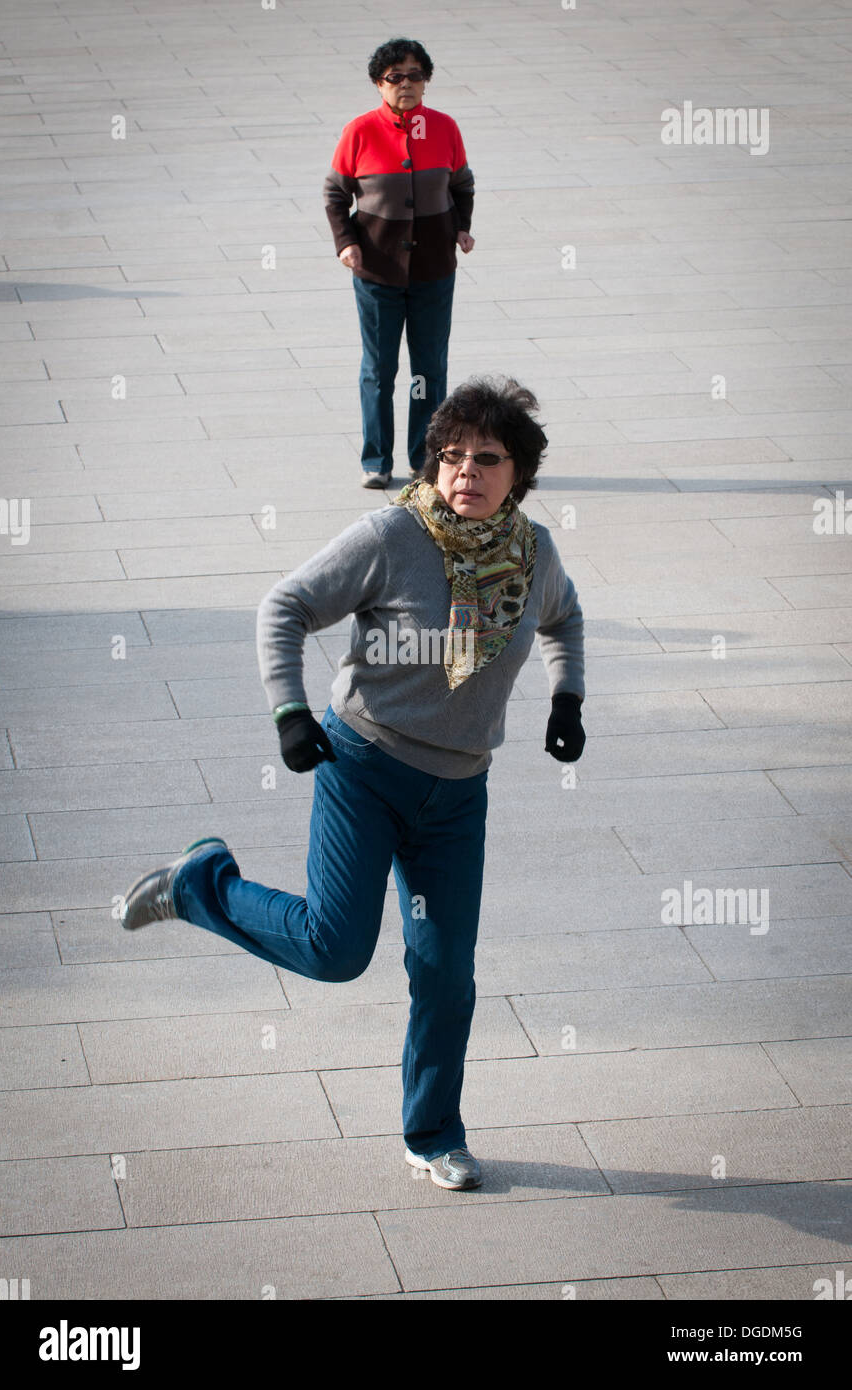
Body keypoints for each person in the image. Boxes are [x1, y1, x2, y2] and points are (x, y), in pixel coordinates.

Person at [119, 377, 586, 1192]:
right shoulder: (391, 536)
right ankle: (202, 886)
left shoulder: (533, 555)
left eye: (486, 458)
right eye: (450, 456)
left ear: (521, 474)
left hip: (457, 797)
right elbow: (285, 604)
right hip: (362, 769)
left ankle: (433, 1133)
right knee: (336, 952)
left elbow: (564, 617)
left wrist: (567, 696)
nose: (464, 472)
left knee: (445, 973)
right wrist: (289, 713)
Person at [323, 37, 475, 489]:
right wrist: (345, 243)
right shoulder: (359, 131)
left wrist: (462, 227)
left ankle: (423, 459)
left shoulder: (445, 128)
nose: (405, 84)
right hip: (377, 271)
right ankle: (376, 460)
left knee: (428, 369)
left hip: (433, 270)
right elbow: (335, 194)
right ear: (378, 84)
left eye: (414, 76)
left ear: (426, 83)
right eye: (395, 77)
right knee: (379, 368)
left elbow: (462, 185)